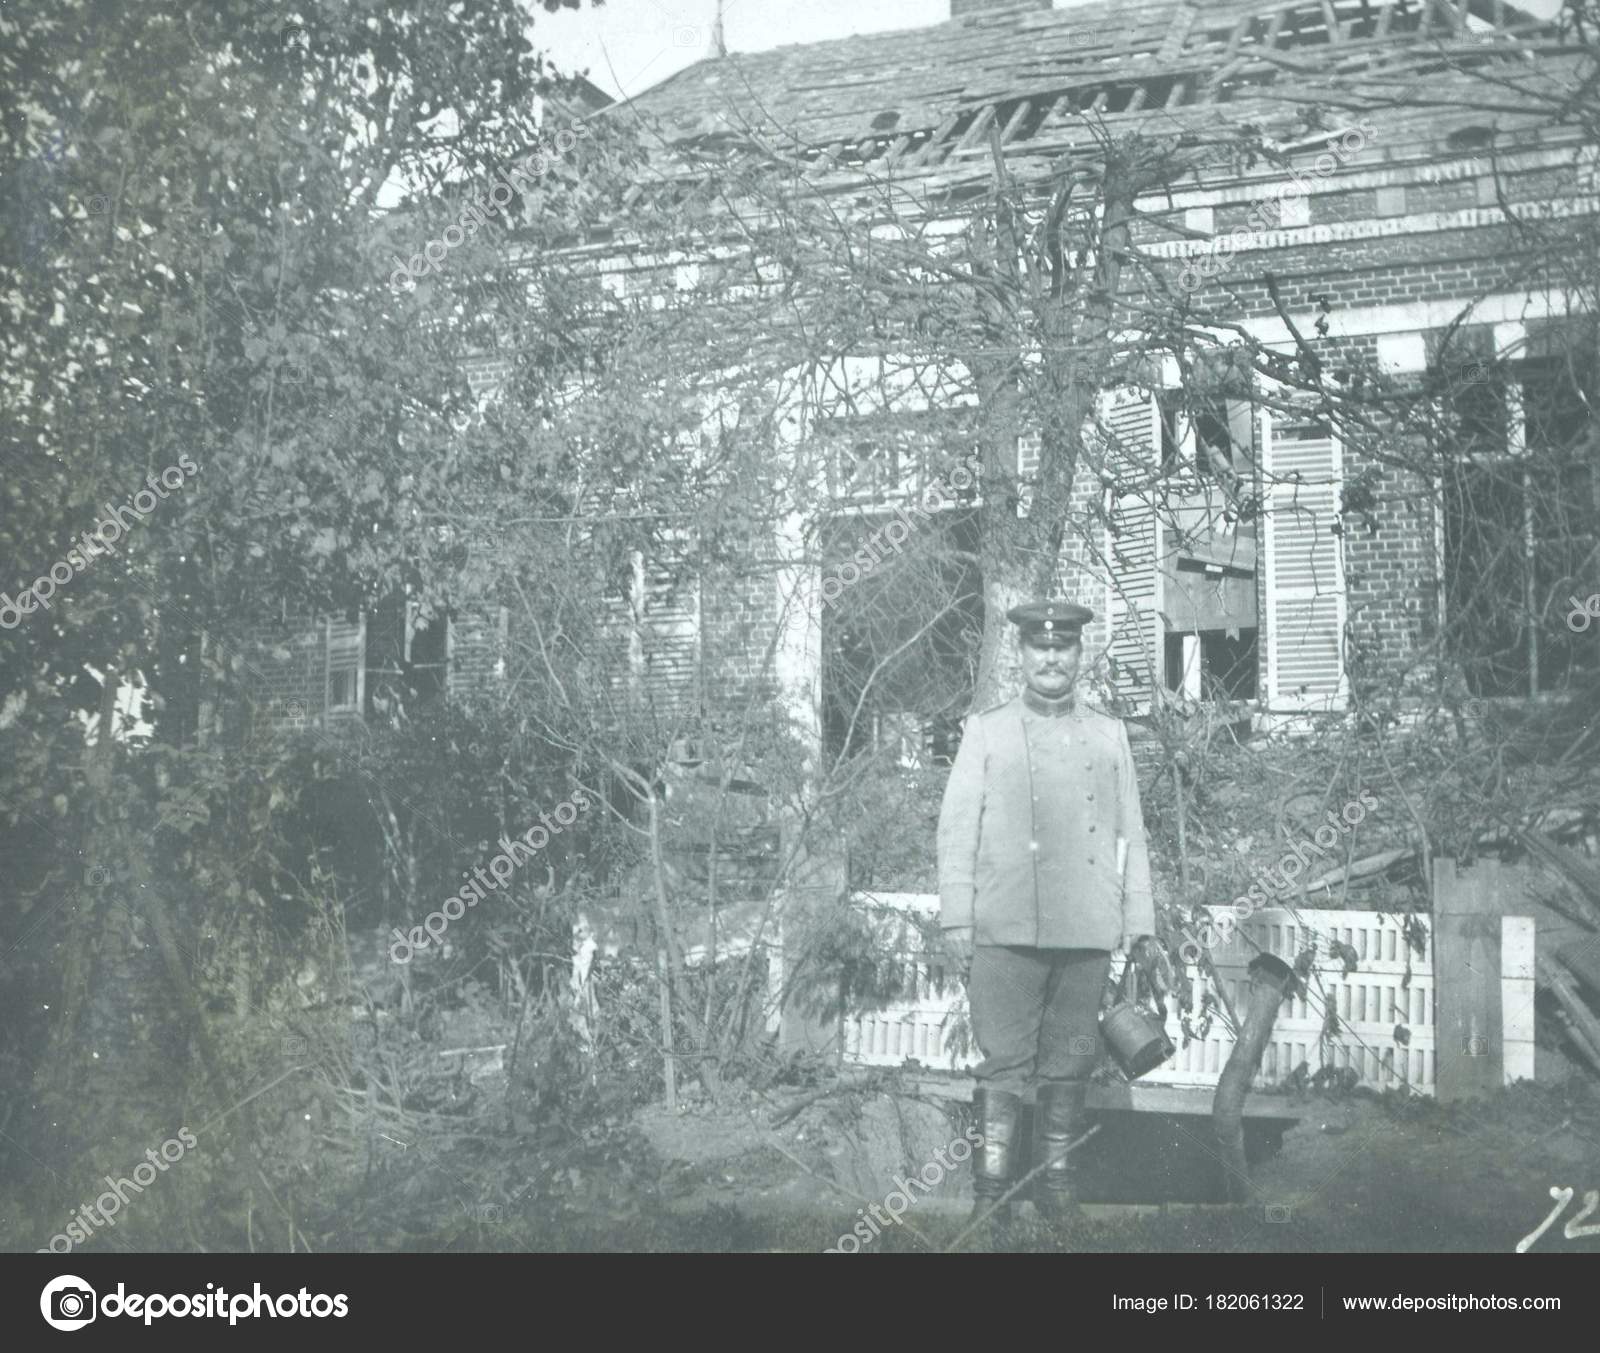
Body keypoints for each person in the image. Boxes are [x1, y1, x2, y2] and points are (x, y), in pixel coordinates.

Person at [936, 600, 1155, 1224]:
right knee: (1002, 1063)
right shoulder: (987, 729)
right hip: (1004, 929)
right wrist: (958, 917)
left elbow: (1131, 834)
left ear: (1079, 656)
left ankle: (1059, 1195)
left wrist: (1139, 922)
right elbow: (956, 832)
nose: (1052, 658)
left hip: (1086, 928)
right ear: (1023, 654)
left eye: (1064, 648)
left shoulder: (1108, 733)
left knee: (1070, 1061)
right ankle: (991, 1202)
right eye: (1040, 647)